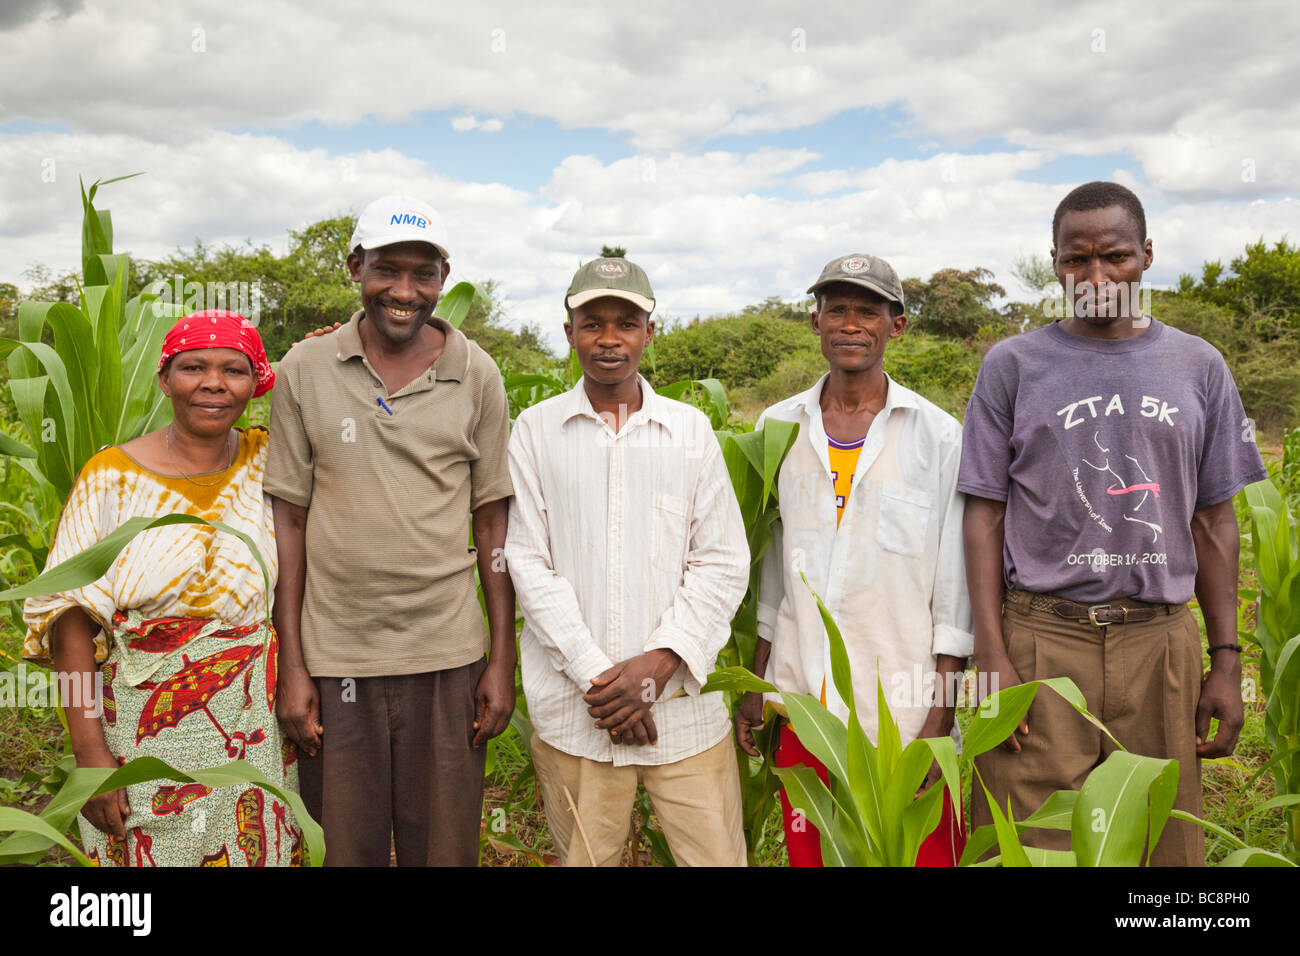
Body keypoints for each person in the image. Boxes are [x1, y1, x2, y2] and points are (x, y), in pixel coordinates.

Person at [959, 181, 1267, 865]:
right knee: (1025, 843)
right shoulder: (1012, 366)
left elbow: (1215, 523)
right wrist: (992, 655)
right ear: (1055, 263)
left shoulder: (1199, 367)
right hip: (1041, 641)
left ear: (1147, 255)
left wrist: (1225, 659)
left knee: (1162, 847)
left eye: (1116, 257)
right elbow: (984, 512)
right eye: (1076, 260)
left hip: (1160, 646)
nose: (1096, 277)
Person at [266, 195, 516, 867]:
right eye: (387, 269)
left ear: (443, 278)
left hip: (448, 657)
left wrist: (501, 657)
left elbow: (492, 519)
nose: (405, 292)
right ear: (356, 268)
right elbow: (288, 518)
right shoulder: (305, 370)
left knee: (445, 849)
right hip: (335, 658)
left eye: (424, 274)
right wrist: (293, 664)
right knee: (346, 848)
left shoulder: (477, 374)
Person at [23, 309, 302, 867]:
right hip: (142, 731)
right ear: (164, 379)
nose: (214, 384)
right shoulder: (111, 477)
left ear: (256, 383)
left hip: (255, 725)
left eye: (235, 370)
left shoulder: (270, 462)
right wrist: (90, 752)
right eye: (193, 367)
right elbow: (68, 620)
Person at [504, 257, 750, 866]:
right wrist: (603, 680)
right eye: (592, 323)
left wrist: (660, 664)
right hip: (577, 717)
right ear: (569, 333)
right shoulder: (534, 432)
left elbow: (722, 561)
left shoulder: (692, 432)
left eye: (626, 322)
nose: (609, 339)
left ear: (649, 332)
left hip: (684, 716)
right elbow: (527, 562)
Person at [736, 254, 972, 866]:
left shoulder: (938, 436)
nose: (850, 323)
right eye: (835, 309)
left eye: (868, 310)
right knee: (817, 857)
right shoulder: (777, 426)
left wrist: (938, 723)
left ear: (897, 326)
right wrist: (756, 685)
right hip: (801, 701)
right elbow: (772, 572)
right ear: (814, 322)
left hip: (899, 708)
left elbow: (954, 590)